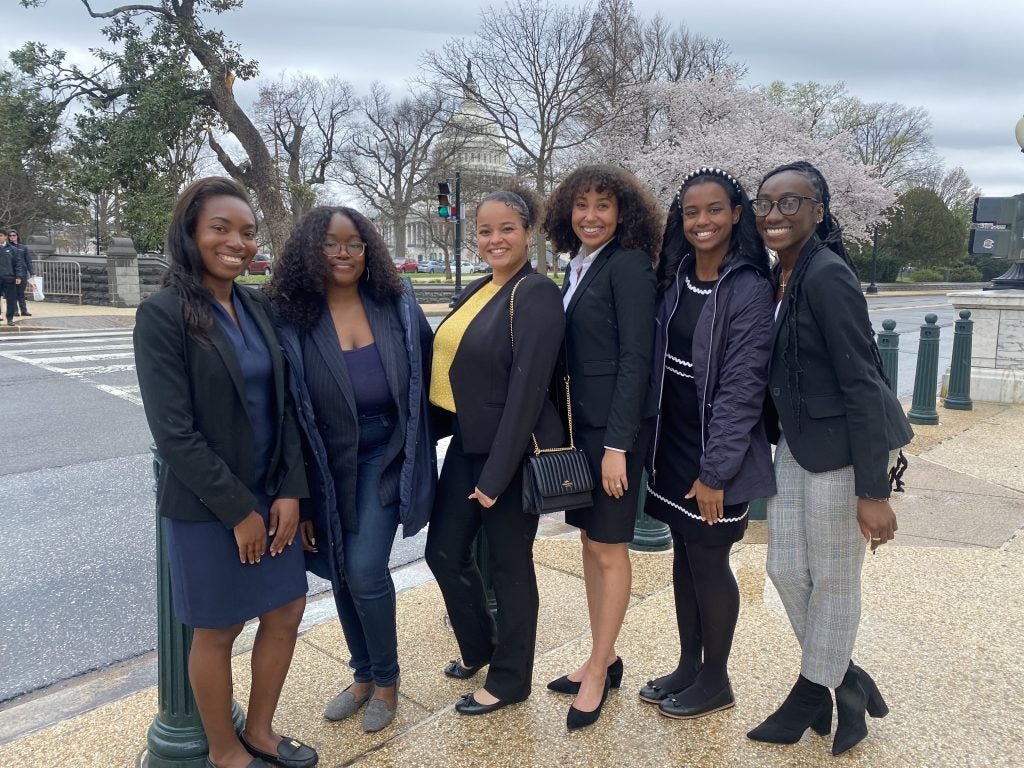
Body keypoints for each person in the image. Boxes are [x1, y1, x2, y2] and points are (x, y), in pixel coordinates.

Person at [133, 177, 317, 768]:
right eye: (221, 228)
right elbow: (174, 433)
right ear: (190, 232)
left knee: (286, 610)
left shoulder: (257, 306)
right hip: (208, 506)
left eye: (247, 232)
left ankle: (260, 731)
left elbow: (285, 407)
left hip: (272, 493)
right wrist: (239, 510)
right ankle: (224, 752)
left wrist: (290, 490)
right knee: (218, 630)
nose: (238, 242)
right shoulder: (162, 315)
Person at [747, 161, 912, 756]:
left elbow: (863, 383)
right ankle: (848, 680)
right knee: (786, 569)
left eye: (791, 202)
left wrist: (873, 490)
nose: (775, 214)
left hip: (847, 447)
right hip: (800, 441)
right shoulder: (781, 274)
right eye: (766, 203)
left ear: (818, 211)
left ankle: (810, 693)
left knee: (835, 577)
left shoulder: (827, 275)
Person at [266, 206, 436, 733]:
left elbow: (429, 371)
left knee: (364, 569)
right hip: (326, 460)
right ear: (309, 250)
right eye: (331, 243)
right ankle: (362, 675)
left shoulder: (395, 303)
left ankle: (387, 680)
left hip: (385, 454)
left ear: (369, 250)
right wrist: (302, 497)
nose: (344, 253)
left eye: (354, 243)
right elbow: (286, 411)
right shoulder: (293, 316)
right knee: (339, 569)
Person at [424, 186, 565, 717]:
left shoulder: (536, 293)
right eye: (485, 230)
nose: (495, 239)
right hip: (468, 444)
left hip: (511, 453)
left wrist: (497, 475)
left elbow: (528, 393)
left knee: (510, 567)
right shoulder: (480, 289)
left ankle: (510, 680)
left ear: (528, 232)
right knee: (443, 551)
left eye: (507, 228)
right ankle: (479, 644)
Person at [641, 167, 776, 720]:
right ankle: (688, 666)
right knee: (685, 554)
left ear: (736, 215)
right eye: (692, 211)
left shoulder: (748, 287)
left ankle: (717, 679)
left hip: (716, 449)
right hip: (671, 441)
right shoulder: (676, 276)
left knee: (711, 559)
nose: (702, 221)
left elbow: (743, 388)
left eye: (715, 210)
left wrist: (715, 471)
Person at [541, 164, 661, 730]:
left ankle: (598, 670)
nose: (591, 216)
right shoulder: (580, 265)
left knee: (610, 547)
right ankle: (603, 657)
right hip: (583, 431)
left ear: (622, 214)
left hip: (614, 434)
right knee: (591, 541)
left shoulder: (629, 264)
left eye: (603, 205)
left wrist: (618, 446)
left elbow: (637, 358)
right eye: (582, 205)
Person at [0, 228, 25, 326]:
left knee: (11, 299)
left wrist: (18, 276)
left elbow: (18, 264)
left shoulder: (13, 249)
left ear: (5, 237)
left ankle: (10, 318)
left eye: (1, 236)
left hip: (9, 278)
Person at [8, 230, 34, 317]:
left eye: (14, 235)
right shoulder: (7, 247)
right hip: (11, 273)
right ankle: (15, 311)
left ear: (17, 236)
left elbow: (28, 260)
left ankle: (24, 310)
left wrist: (32, 272)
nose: (12, 237)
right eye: (10, 235)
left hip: (22, 273)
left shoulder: (23, 248)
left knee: (21, 293)